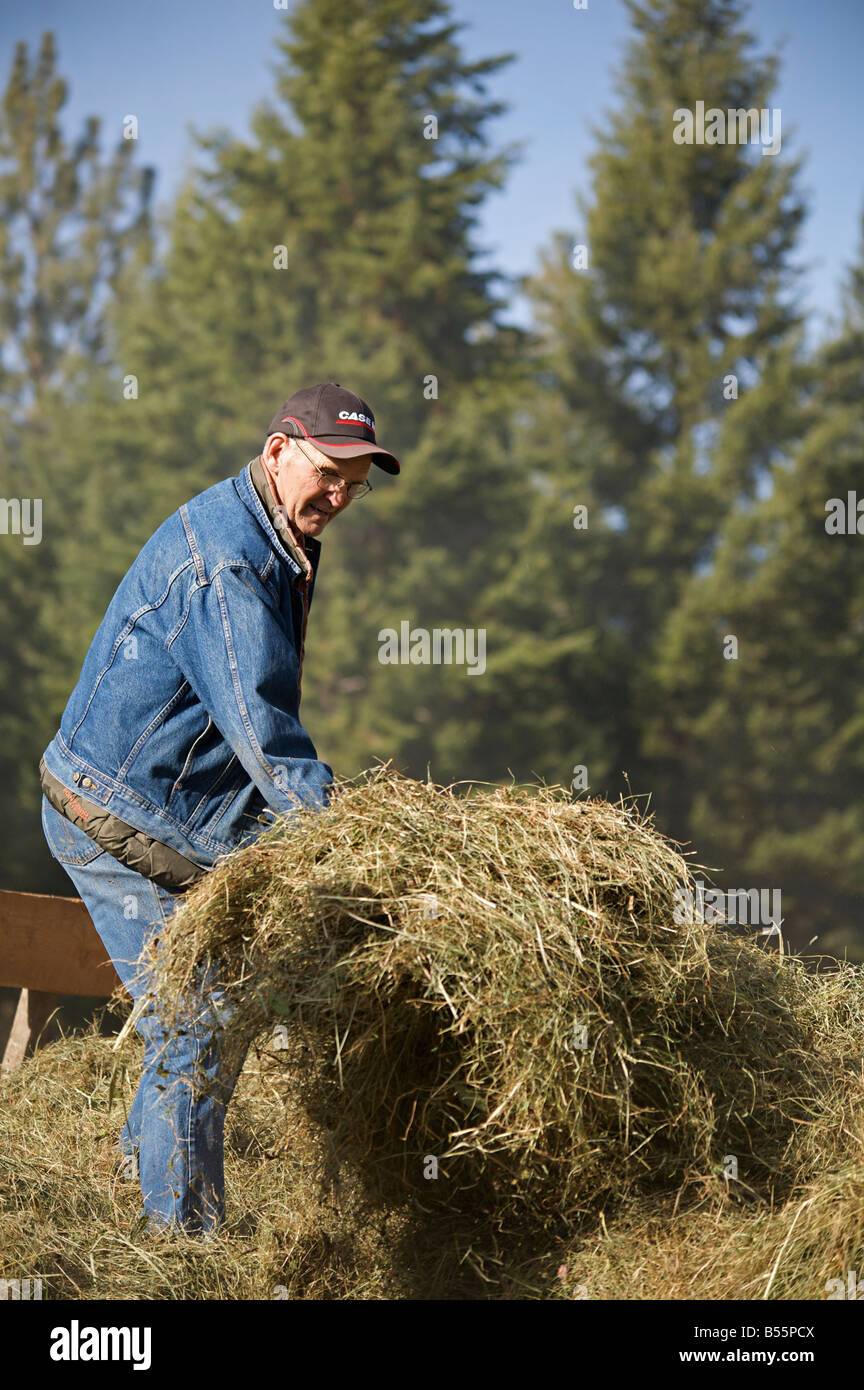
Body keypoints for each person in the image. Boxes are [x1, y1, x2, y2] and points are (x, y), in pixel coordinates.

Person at [39, 382, 400, 1236]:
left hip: (175, 809)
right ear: (279, 451)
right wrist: (355, 847)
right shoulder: (232, 562)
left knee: (205, 1017)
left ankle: (132, 1176)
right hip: (112, 816)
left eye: (357, 480)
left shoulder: (276, 530)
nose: (342, 494)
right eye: (330, 471)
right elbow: (266, 736)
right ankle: (181, 1250)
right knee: (193, 1023)